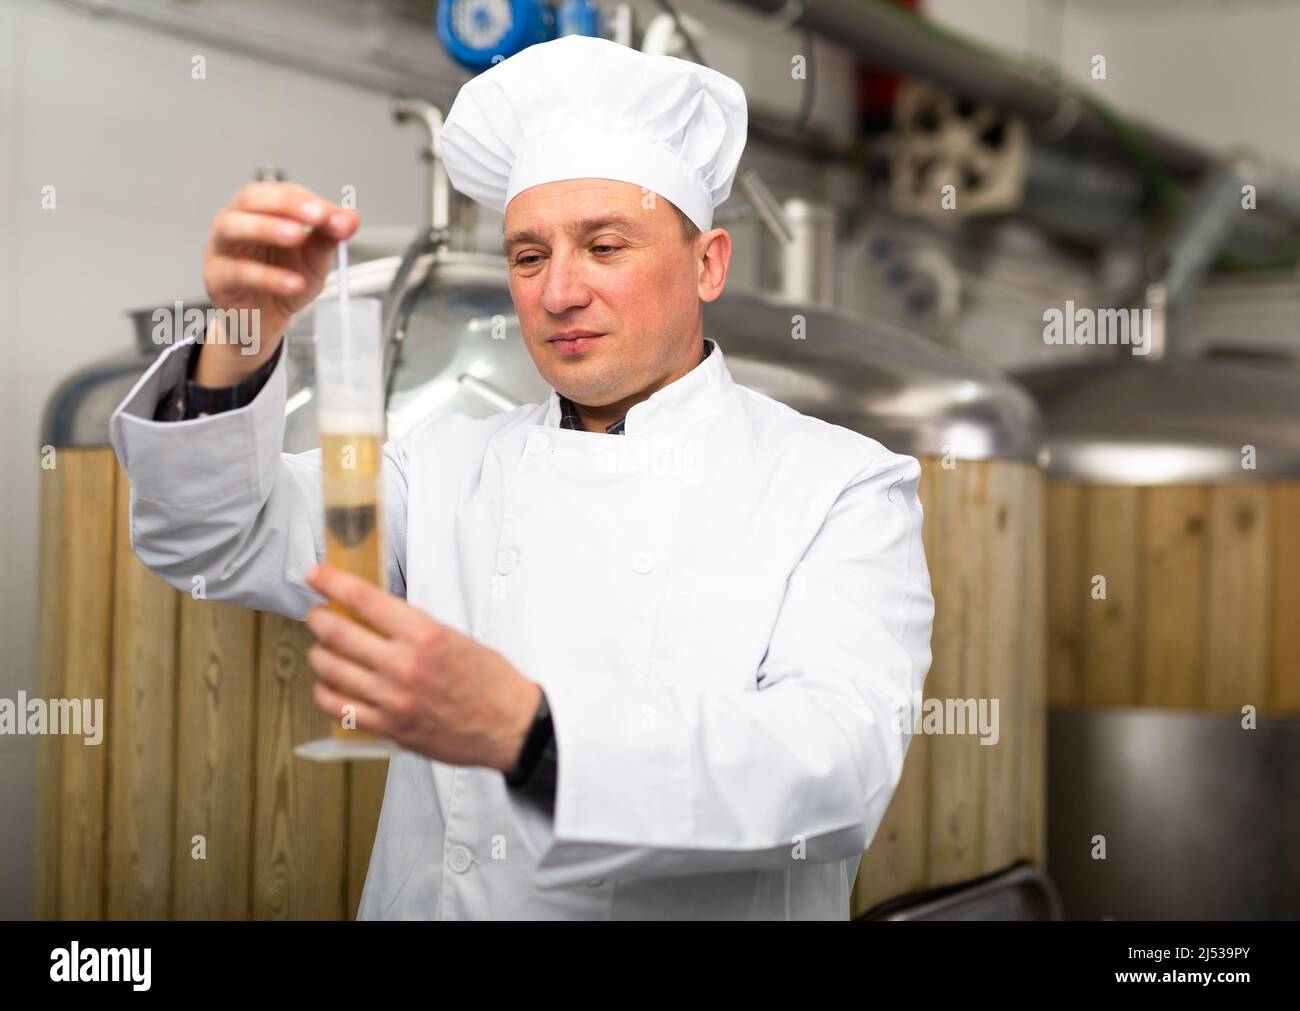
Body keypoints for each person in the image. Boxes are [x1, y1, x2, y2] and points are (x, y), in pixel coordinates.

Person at [109, 34, 934, 920]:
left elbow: (835, 773)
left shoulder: (837, 487)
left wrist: (528, 736)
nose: (558, 292)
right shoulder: (448, 466)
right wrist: (244, 326)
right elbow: (211, 536)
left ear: (709, 263)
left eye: (605, 246)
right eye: (529, 256)